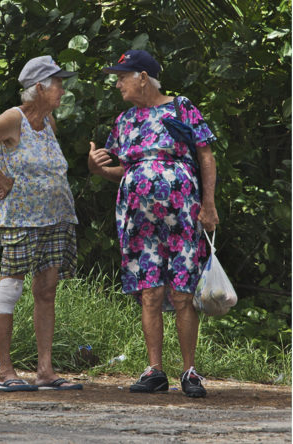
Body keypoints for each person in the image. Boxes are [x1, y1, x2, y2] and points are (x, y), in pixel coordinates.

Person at [87, 49, 219, 397]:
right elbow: (127, 171)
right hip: (138, 220)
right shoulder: (125, 120)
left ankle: (189, 371)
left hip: (183, 214)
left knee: (182, 292)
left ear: (142, 77)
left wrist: (209, 204)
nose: (117, 84)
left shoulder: (181, 107)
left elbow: (205, 154)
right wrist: (99, 168)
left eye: (122, 76)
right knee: (150, 291)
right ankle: (155, 370)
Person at [0, 55, 82, 392]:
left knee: (46, 291)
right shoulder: (15, 119)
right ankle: (6, 371)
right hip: (22, 221)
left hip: (55, 220)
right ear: (39, 87)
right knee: (11, 289)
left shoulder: (49, 122)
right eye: (57, 83)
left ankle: (45, 371)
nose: (62, 89)